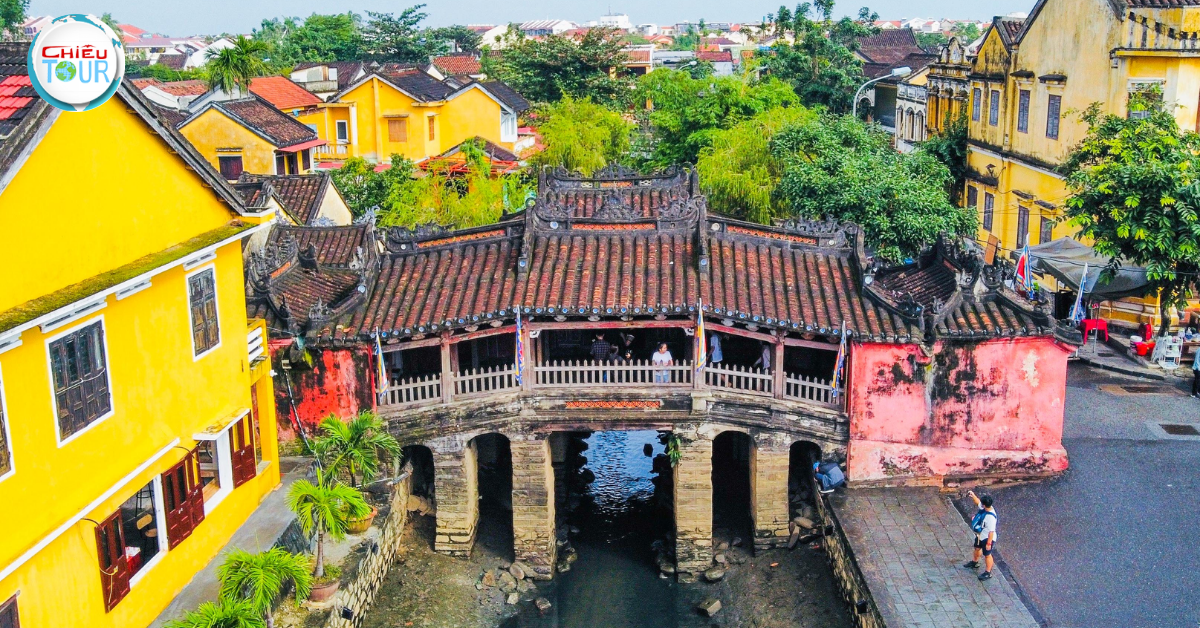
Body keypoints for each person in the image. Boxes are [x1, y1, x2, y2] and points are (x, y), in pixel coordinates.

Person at [963, 490, 998, 581]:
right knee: (977, 548)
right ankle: (975, 562)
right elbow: (977, 502)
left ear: (985, 505)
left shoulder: (990, 517)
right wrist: (973, 495)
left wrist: (988, 543)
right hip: (980, 535)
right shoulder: (984, 508)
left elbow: (991, 532)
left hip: (987, 538)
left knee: (987, 555)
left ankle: (988, 572)